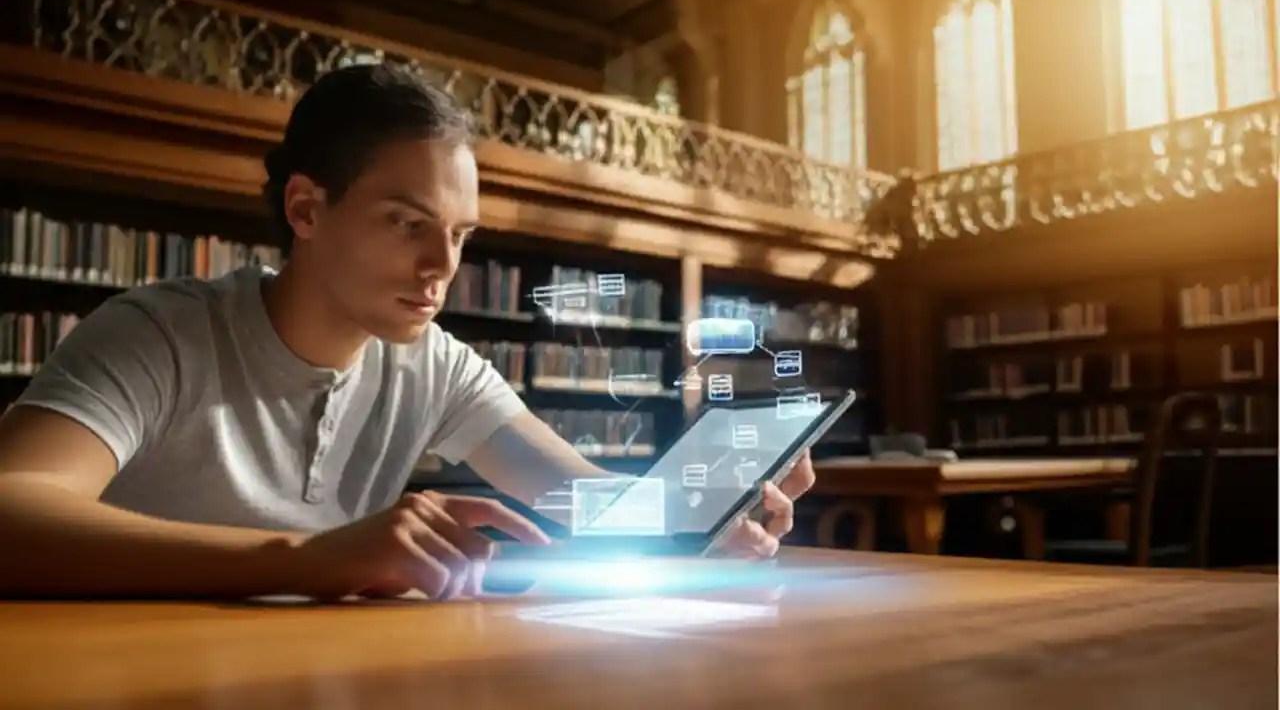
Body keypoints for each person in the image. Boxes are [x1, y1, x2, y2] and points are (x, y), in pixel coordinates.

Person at [0, 63, 815, 601]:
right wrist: (304, 560)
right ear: (305, 209)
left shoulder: (433, 364)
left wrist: (703, 518)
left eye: (460, 235)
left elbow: (586, 499)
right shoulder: (160, 334)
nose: (442, 266)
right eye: (407, 224)